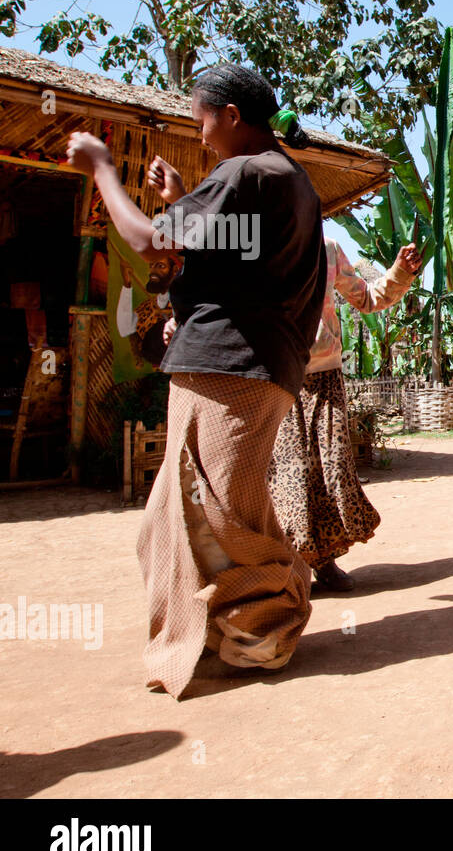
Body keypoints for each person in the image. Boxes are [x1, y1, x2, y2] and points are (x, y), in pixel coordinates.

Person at [66, 64, 327, 696]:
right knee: (183, 512)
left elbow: (152, 244)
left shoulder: (247, 172)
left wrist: (104, 167)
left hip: (232, 366)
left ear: (233, 115)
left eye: (203, 119)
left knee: (219, 512)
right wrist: (185, 195)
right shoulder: (284, 179)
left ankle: (269, 623)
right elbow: (228, 255)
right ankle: (237, 626)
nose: (200, 130)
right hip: (242, 364)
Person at [267, 237, 419, 593]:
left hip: (325, 376)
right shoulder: (256, 246)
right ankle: (291, 567)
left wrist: (400, 272)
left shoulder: (327, 249)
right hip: (277, 378)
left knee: (331, 471)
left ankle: (325, 560)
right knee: (289, 478)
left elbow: (367, 298)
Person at [116, 256, 178, 367]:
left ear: (174, 271)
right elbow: (124, 328)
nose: (154, 271)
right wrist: (127, 283)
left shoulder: (184, 303)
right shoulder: (148, 306)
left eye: (161, 266)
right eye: (151, 266)